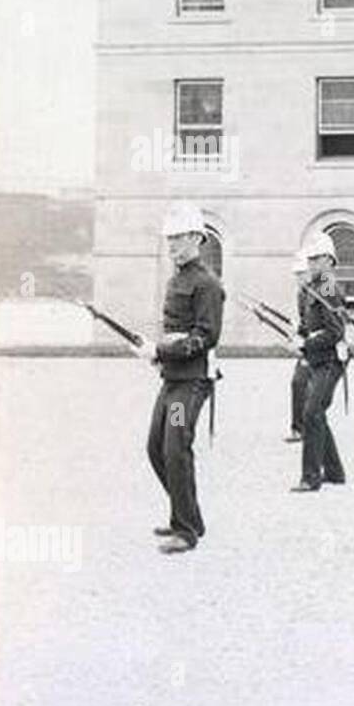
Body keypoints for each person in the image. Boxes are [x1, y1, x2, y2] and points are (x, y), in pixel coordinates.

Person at [133, 202, 224, 555]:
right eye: (169, 238)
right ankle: (189, 516)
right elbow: (175, 331)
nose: (171, 244)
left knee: (174, 448)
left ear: (196, 238)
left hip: (191, 382)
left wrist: (160, 351)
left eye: (178, 238)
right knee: (156, 448)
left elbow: (205, 337)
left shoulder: (206, 284)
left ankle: (185, 530)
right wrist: (155, 351)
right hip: (172, 378)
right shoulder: (177, 278)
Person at [291, 232, 347, 492]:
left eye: (316, 259)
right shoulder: (313, 288)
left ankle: (311, 476)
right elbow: (311, 325)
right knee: (316, 412)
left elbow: (335, 331)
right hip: (318, 359)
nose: (311, 264)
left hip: (330, 361)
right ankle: (334, 471)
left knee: (312, 412)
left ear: (328, 260)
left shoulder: (327, 287)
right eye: (310, 259)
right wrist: (299, 333)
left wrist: (307, 342)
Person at [284, 251, 310, 443]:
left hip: (325, 349)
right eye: (297, 275)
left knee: (306, 388)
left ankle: (307, 428)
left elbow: (333, 320)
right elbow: (306, 322)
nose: (298, 278)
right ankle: (299, 428)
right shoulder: (301, 294)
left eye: (302, 273)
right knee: (298, 383)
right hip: (309, 346)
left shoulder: (326, 285)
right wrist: (297, 331)